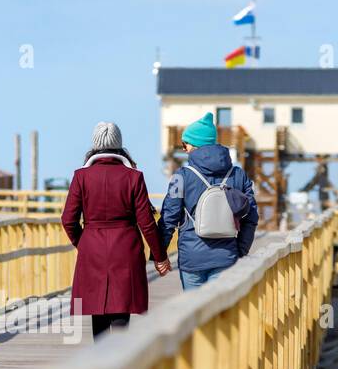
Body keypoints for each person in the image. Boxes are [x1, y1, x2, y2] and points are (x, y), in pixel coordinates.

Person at [61, 122, 171, 339]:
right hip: (126, 247)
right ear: (119, 145)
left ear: (94, 145)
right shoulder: (133, 176)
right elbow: (146, 222)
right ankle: (120, 364)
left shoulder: (81, 176)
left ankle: (101, 364)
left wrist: (83, 244)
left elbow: (67, 220)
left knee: (97, 310)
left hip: (92, 246)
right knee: (122, 307)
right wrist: (160, 257)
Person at [158, 112, 259, 290]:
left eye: (185, 144)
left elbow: (169, 218)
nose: (183, 149)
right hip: (226, 256)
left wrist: (160, 255)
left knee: (192, 313)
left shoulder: (182, 176)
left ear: (195, 145)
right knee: (223, 315)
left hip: (192, 259)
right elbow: (250, 217)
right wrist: (240, 250)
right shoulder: (238, 174)